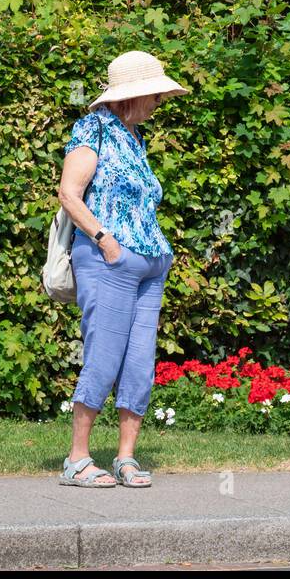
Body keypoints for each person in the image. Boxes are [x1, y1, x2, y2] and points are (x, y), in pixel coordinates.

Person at [55, 50, 188, 487]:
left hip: (151, 261)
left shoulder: (135, 137)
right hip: (109, 260)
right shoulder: (92, 128)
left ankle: (126, 458)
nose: (159, 102)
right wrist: (104, 241)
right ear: (131, 96)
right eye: (155, 94)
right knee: (104, 357)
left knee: (139, 364)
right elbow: (69, 194)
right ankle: (77, 459)